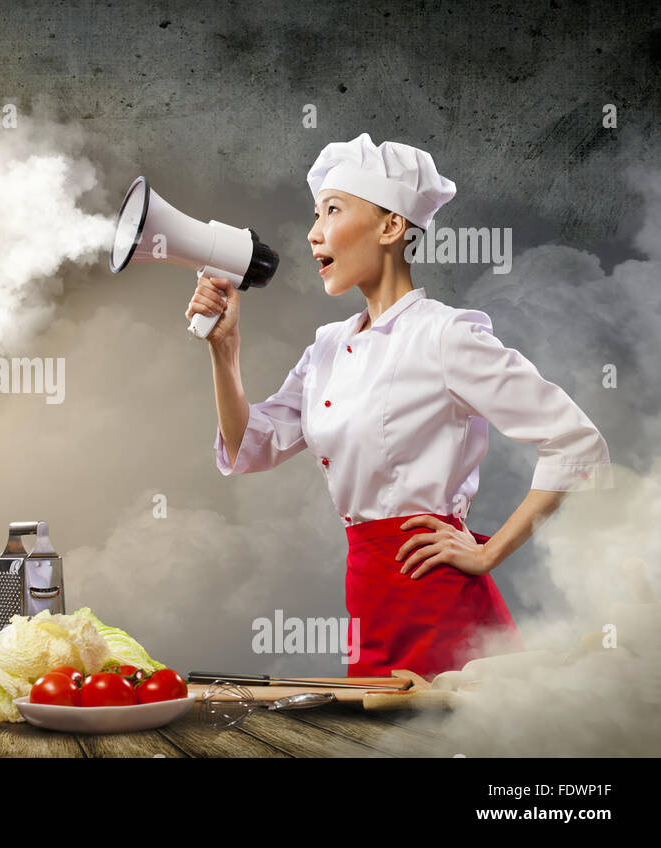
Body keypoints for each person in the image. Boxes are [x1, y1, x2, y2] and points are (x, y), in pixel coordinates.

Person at [186, 133, 612, 679]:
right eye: (314, 214)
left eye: (332, 211)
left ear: (391, 227)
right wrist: (225, 351)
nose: (313, 233)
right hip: (368, 598)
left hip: (439, 608)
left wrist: (487, 553)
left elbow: (575, 441)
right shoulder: (326, 347)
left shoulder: (445, 336)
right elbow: (251, 448)